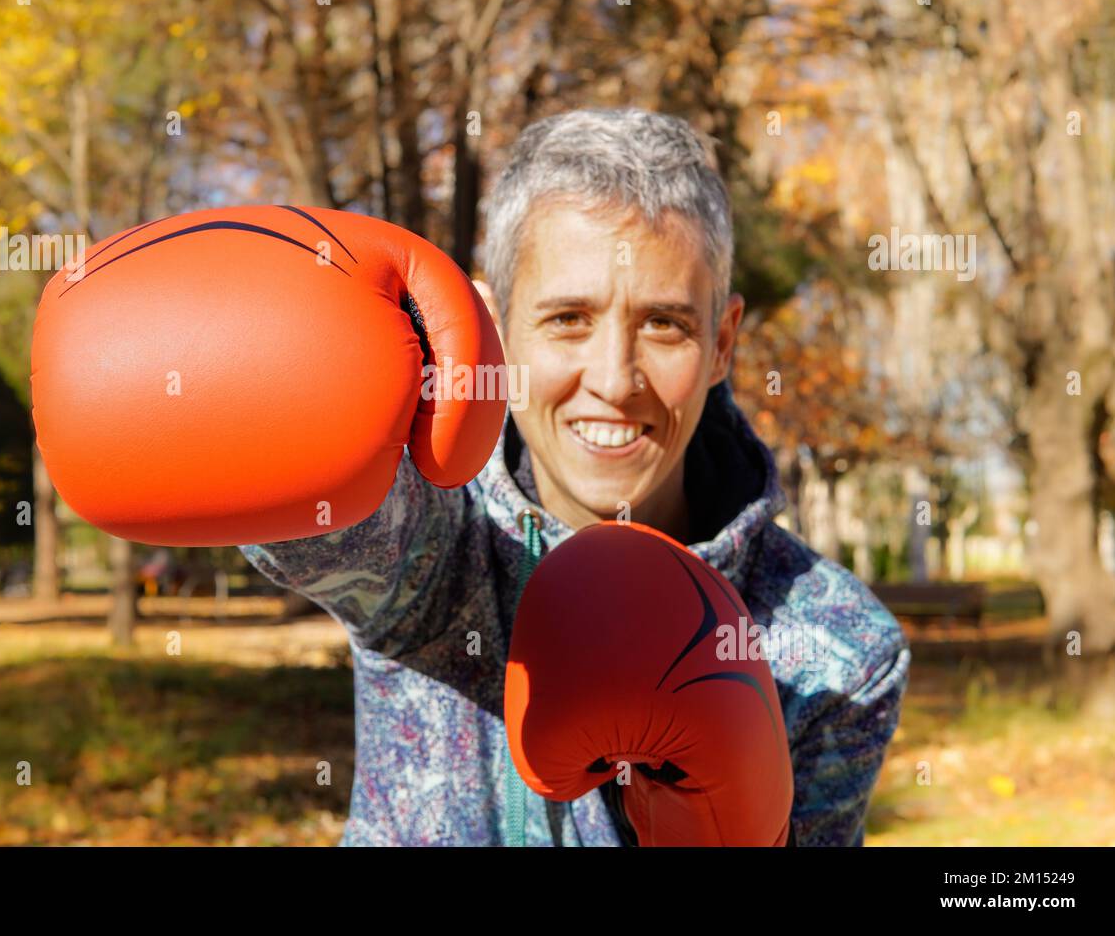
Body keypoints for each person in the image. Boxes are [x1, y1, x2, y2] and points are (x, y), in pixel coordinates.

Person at [239, 107, 910, 847]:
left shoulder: (838, 648)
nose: (615, 380)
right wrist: (263, 393)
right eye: (568, 319)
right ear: (493, 329)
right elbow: (312, 524)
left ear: (722, 343)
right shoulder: (437, 543)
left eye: (664, 323)